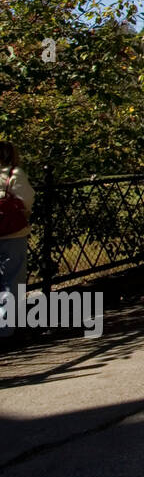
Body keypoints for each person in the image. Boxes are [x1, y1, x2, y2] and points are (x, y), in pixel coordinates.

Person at [0, 141, 35, 336]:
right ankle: (5, 328)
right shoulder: (14, 174)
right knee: (12, 279)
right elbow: (27, 199)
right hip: (13, 234)